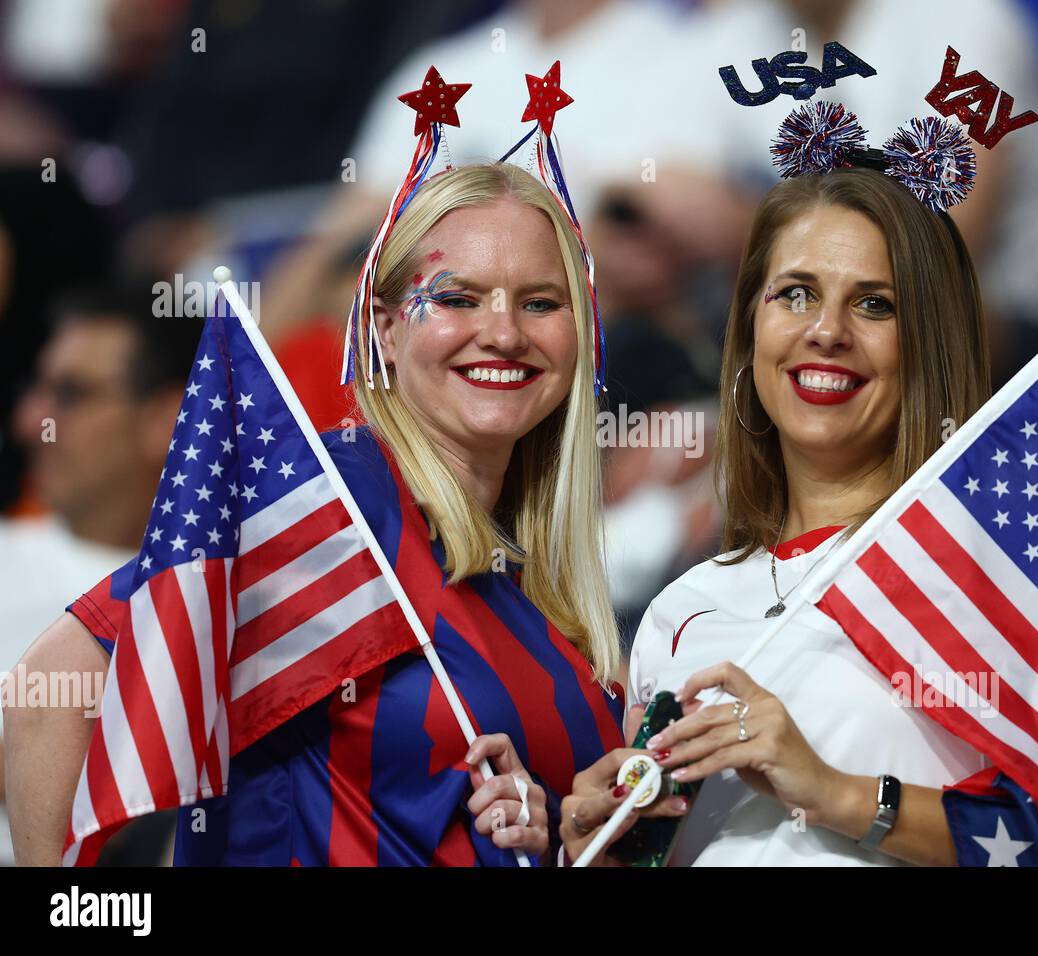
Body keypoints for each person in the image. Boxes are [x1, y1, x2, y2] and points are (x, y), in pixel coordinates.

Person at [4, 161, 627, 866]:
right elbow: (50, 690)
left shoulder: (538, 576)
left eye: (541, 303)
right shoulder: (332, 501)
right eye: (458, 298)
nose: (505, 333)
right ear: (386, 332)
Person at [562, 165, 994, 865]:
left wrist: (835, 794)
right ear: (751, 329)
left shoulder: (990, 583)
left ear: (930, 343)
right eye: (795, 294)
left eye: (875, 304)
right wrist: (610, 848)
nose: (826, 331)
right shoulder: (680, 612)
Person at [0, 285, 199, 865]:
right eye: (35, 389)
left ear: (168, 417)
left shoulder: (246, 597)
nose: (29, 421)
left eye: (70, 394)